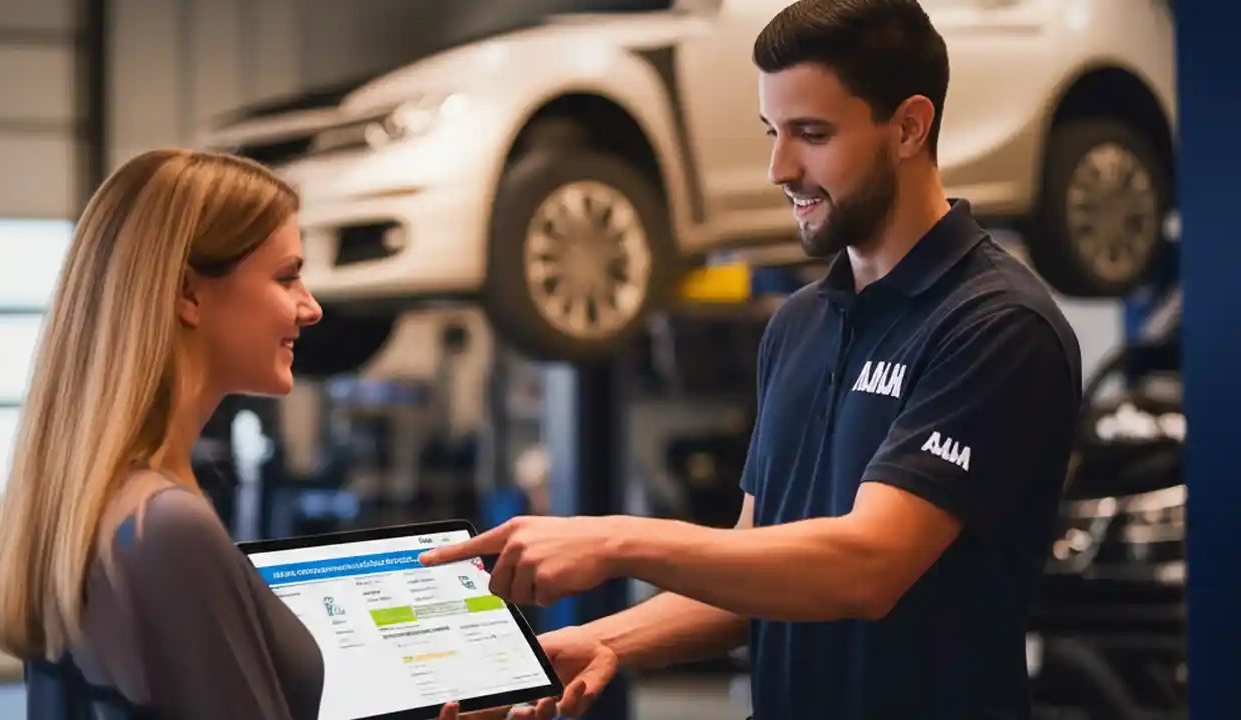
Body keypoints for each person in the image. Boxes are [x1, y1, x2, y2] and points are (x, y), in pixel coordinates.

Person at [419, 1, 1084, 718]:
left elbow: (868, 567)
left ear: (909, 126)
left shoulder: (994, 325)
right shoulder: (799, 326)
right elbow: (753, 572)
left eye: (812, 134)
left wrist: (617, 541)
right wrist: (600, 640)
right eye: (773, 132)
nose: (779, 167)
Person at [0, 149, 485, 720]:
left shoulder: (91, 510)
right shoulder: (165, 528)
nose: (311, 307)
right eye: (286, 276)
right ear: (189, 295)